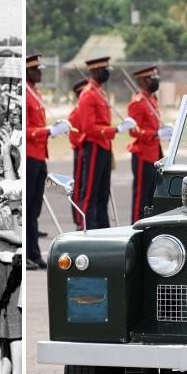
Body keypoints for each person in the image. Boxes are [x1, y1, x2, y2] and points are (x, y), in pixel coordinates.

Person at [75, 57, 135, 229]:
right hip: (94, 146)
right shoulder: (88, 94)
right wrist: (115, 130)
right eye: (104, 69)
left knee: (102, 194)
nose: (107, 72)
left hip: (104, 146)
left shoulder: (100, 92)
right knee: (90, 195)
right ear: (94, 71)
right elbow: (89, 128)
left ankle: (102, 229)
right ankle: (86, 228)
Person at [24, 54, 67, 270]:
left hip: (40, 156)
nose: (40, 73)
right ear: (28, 71)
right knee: (28, 208)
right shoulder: (25, 93)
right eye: (36, 69)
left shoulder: (35, 92)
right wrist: (48, 130)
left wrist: (53, 128)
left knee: (35, 209)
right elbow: (26, 129)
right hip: (30, 155)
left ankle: (33, 252)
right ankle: (27, 254)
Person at [127, 66, 168, 222]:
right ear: (143, 81)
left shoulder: (152, 99)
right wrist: (155, 134)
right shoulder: (137, 102)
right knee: (141, 196)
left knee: (151, 195)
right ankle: (136, 225)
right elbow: (133, 131)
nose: (156, 80)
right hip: (143, 154)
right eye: (152, 77)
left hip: (154, 154)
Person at [67, 76, 89, 229]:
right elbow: (74, 138)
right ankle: (78, 218)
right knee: (79, 186)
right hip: (81, 152)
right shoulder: (75, 114)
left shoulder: (84, 111)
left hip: (88, 151)